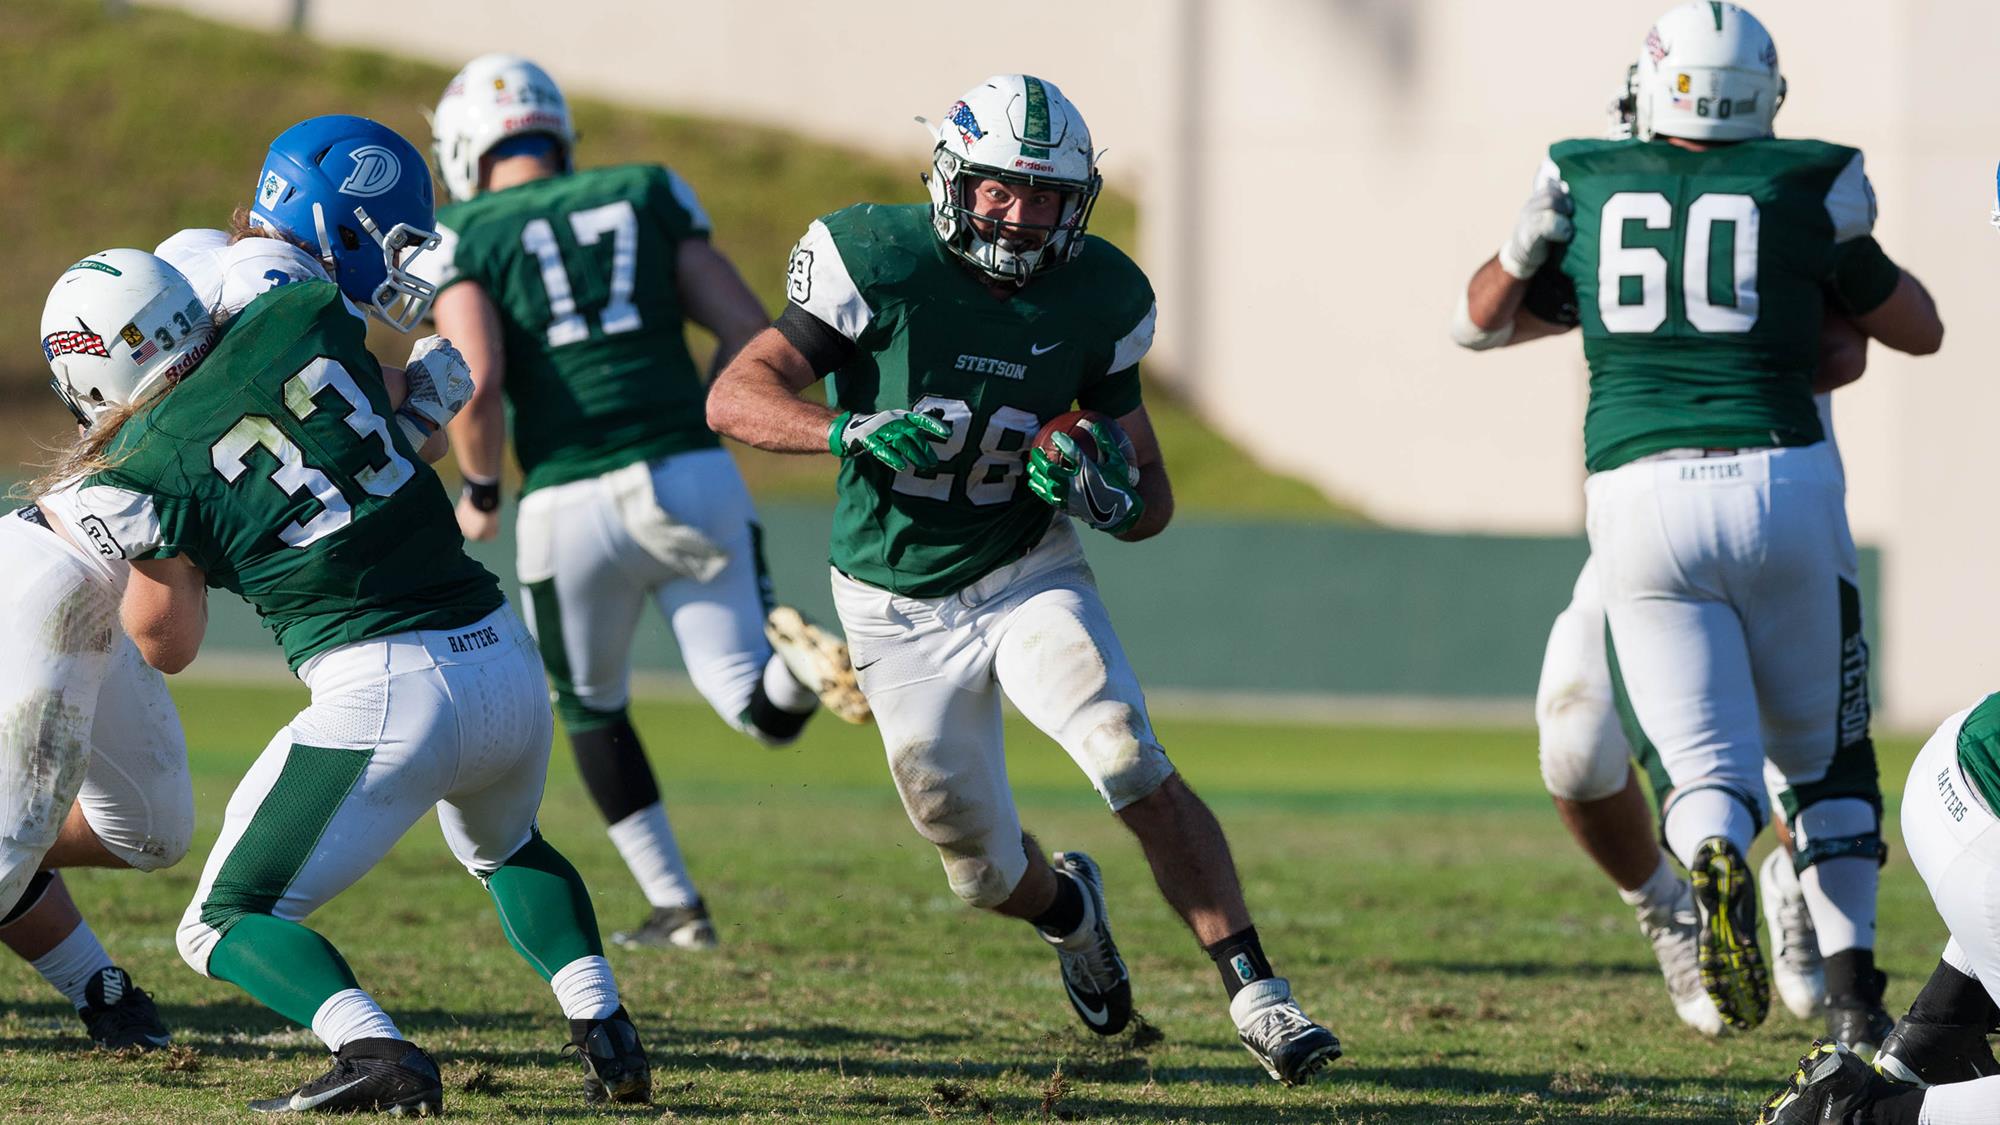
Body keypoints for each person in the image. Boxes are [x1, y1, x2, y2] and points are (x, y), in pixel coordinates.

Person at [706, 73, 1340, 1086]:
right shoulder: (877, 258)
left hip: (1023, 568)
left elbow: (1151, 496)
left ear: (1074, 204)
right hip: (890, 601)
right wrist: (845, 429)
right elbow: (736, 394)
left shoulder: (1100, 293)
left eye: (1043, 196)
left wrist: (1107, 494)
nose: (1017, 214)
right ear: (952, 182)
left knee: (1124, 751)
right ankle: (1070, 911)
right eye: (999, 189)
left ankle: (1260, 996)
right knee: (977, 865)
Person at [55, 116, 651, 1113]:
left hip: (382, 691)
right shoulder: (304, 317)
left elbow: (169, 644)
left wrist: (168, 545)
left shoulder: (152, 459)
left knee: (218, 922)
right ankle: (605, 1026)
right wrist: (416, 412)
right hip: (501, 655)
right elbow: (371, 432)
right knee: (508, 845)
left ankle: (375, 1050)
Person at [1452, 1, 1942, 1048]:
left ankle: (1759, 879)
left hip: (1646, 498)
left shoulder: (1598, 182)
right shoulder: (1805, 184)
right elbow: (1890, 334)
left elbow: (1475, 323)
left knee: (1713, 759)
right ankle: (1783, 961)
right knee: (1746, 750)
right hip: (1768, 493)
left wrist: (1524, 244)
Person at [420, 53, 866, 951]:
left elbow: (478, 376)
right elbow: (747, 330)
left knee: (589, 705)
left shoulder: (461, 230)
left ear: (465, 146)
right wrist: (699, 414)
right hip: (691, 471)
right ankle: (798, 669)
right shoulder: (647, 190)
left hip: (568, 500)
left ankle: (678, 907)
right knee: (754, 704)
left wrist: (480, 488)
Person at [0, 252, 214, 1051]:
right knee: (15, 831)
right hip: (50, 584)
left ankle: (95, 980)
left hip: (86, 585)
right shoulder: (161, 444)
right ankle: (96, 984)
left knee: (152, 827)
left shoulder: (183, 412)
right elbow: (169, 641)